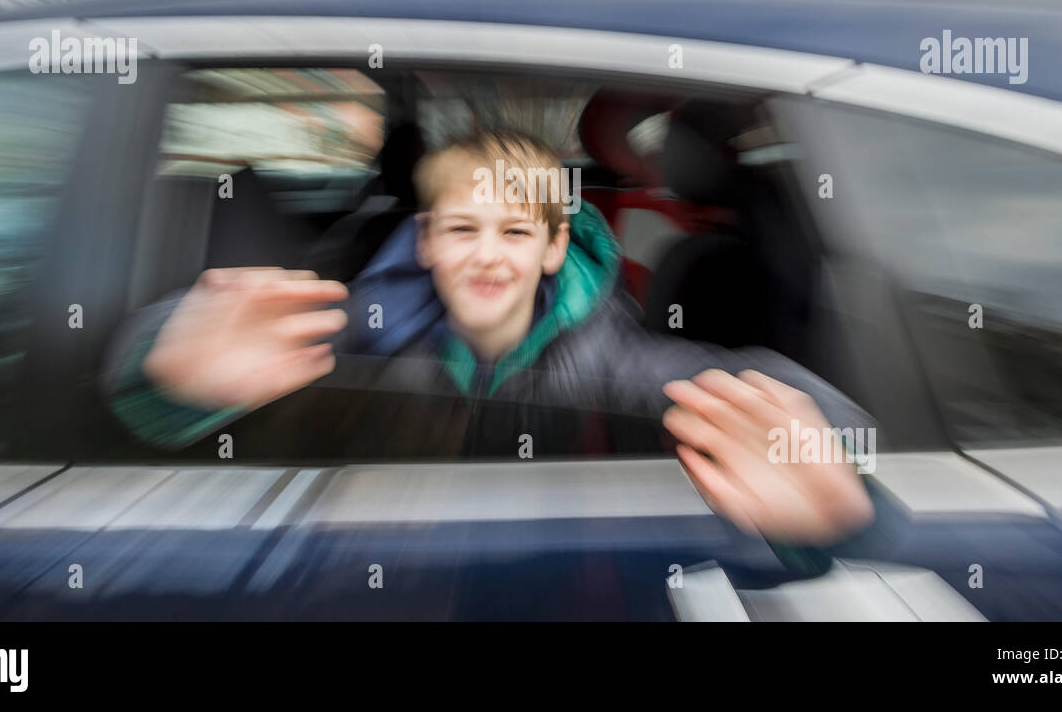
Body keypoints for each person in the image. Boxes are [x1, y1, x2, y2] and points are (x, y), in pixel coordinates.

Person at [103, 130, 876, 549]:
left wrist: (838, 469)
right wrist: (163, 372)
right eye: (462, 229)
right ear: (426, 243)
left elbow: (743, 385)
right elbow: (181, 388)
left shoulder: (611, 351)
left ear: (551, 249)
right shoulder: (369, 334)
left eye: (514, 231)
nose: (485, 253)